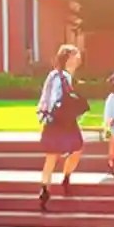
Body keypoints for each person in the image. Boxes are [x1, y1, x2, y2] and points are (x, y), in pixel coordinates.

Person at [35, 44, 86, 211]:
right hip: (63, 120)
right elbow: (55, 98)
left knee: (52, 156)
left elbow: (45, 97)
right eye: (76, 55)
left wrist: (43, 114)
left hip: (53, 120)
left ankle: (45, 188)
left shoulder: (56, 75)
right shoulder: (63, 76)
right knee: (76, 148)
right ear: (69, 57)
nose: (79, 58)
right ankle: (65, 178)